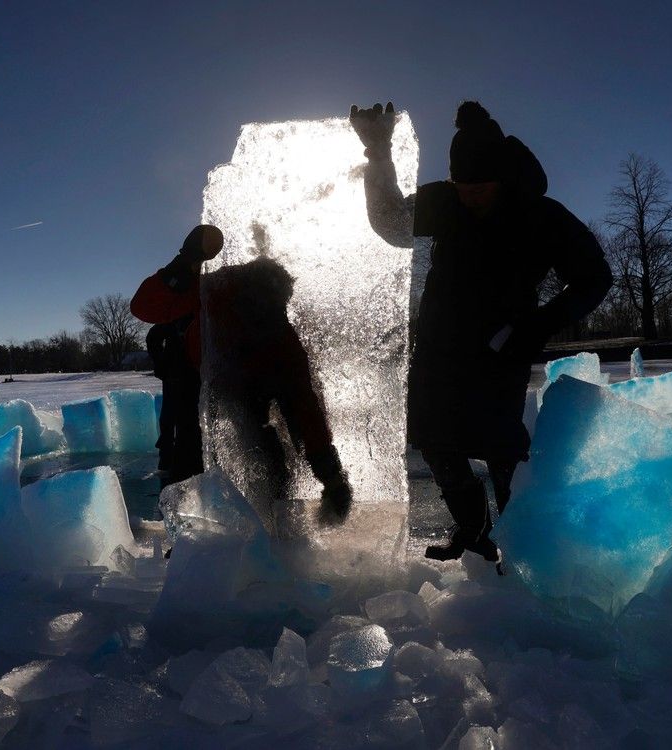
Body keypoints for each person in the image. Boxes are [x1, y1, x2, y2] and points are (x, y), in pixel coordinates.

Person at [350, 101, 612, 562]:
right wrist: (378, 152)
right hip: (438, 348)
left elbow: (595, 277)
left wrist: (537, 325)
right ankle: (472, 531)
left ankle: (519, 546)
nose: (468, 196)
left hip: (501, 349)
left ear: (503, 179)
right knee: (436, 444)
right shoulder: (446, 200)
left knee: (502, 451)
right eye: (461, 186)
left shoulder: (540, 214)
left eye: (480, 188)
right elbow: (391, 224)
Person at [204, 256, 353, 530]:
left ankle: (271, 532)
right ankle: (247, 529)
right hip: (208, 398)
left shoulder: (280, 340)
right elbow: (147, 307)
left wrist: (330, 473)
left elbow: (304, 406)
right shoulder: (213, 296)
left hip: (244, 401)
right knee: (252, 458)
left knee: (271, 462)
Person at [131, 224, 224, 487]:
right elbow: (142, 308)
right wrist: (179, 266)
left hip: (216, 375)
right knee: (179, 425)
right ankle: (174, 472)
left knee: (198, 429)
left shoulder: (214, 288)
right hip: (182, 376)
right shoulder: (185, 289)